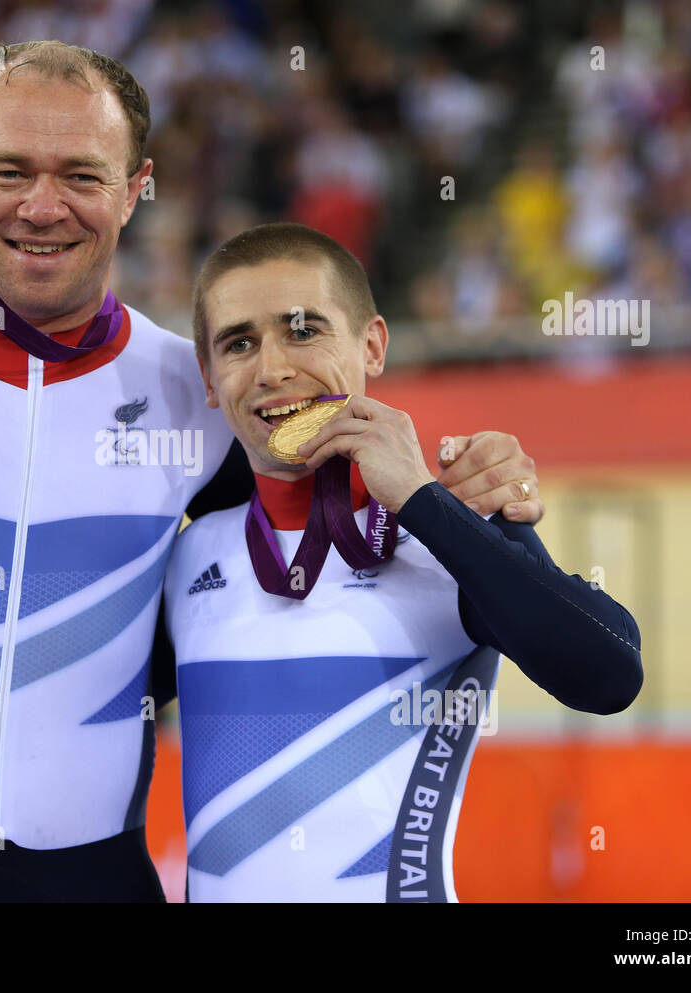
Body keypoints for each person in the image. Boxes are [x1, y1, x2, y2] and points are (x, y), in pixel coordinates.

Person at [0, 40, 544, 903]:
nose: (44, 207)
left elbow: (292, 582)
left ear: (135, 190)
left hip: (91, 880)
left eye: (82, 175)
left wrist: (479, 476)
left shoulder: (194, 393)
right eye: (8, 171)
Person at [166, 222, 641, 900]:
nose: (271, 367)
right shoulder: (190, 553)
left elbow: (609, 673)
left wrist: (421, 499)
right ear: (210, 379)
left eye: (303, 330)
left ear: (373, 345)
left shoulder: (451, 528)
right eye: (239, 342)